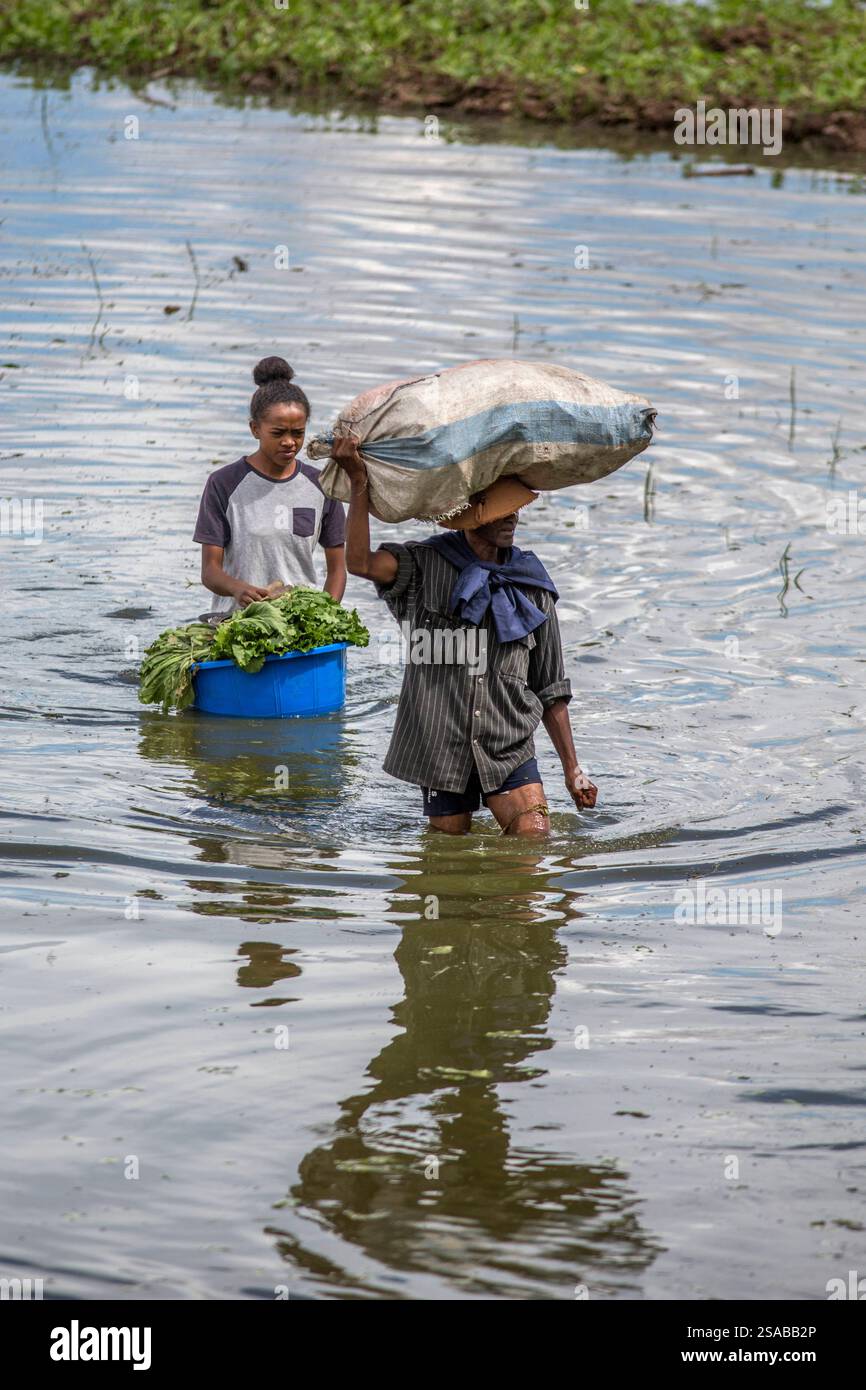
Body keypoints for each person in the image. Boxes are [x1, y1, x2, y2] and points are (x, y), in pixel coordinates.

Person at [333, 436, 597, 836]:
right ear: (469, 515)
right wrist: (358, 483)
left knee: (534, 834)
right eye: (500, 512)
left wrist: (572, 770)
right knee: (447, 850)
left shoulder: (532, 585)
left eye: (515, 511)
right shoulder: (423, 567)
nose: (512, 520)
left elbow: (551, 688)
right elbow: (359, 562)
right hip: (442, 744)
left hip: (507, 742)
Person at [193, 357, 346, 616]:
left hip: (299, 623)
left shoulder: (321, 486)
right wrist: (238, 589)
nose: (289, 442)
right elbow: (210, 572)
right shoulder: (224, 484)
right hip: (238, 620)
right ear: (255, 429)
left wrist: (325, 615)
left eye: (297, 433)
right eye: (278, 433)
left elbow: (338, 570)